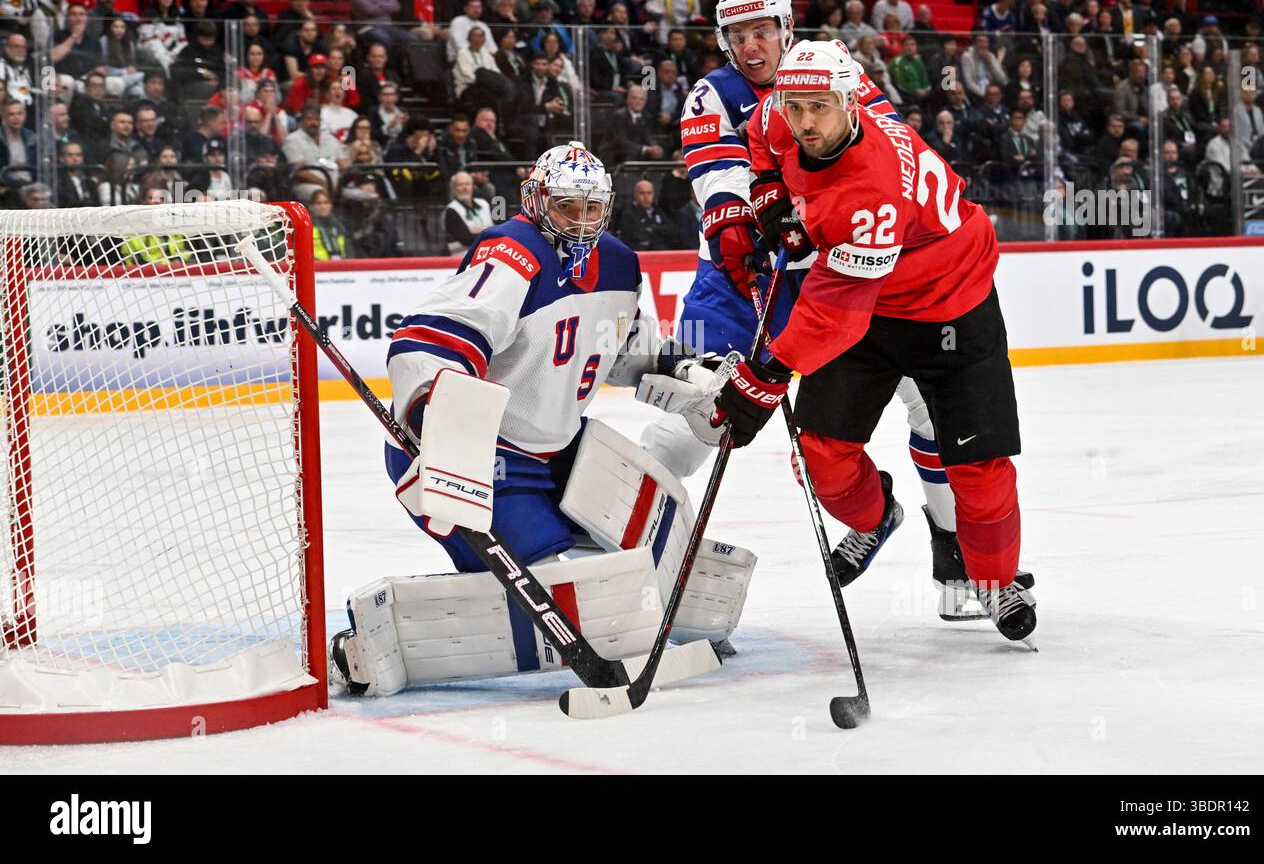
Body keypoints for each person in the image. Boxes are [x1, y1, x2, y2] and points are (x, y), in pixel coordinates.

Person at [329, 142, 756, 692]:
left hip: (564, 449)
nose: (581, 224)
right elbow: (428, 339)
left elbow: (623, 350)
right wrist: (432, 416)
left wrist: (689, 371)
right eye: (566, 208)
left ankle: (672, 614)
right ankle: (374, 643)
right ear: (536, 202)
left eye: (591, 209)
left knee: (658, 533)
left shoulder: (621, 263)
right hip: (482, 458)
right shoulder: (514, 253)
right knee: (566, 601)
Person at [712, 39, 1035, 642]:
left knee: (978, 470)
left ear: (852, 103)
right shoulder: (790, 114)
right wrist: (769, 194)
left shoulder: (869, 194)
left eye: (820, 108)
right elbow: (761, 137)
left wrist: (762, 378)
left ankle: (994, 579)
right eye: (795, 106)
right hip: (872, 299)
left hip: (950, 307)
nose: (805, 123)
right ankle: (878, 514)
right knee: (820, 454)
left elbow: (837, 314)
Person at [442, 170, 493, 253]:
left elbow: (495, 229)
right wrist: (487, 232)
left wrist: (475, 232)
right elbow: (466, 239)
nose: (465, 188)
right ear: (454, 188)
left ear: (473, 186)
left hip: (486, 255)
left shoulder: (484, 204)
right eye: (460, 185)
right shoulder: (451, 209)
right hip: (461, 259)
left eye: (467, 184)